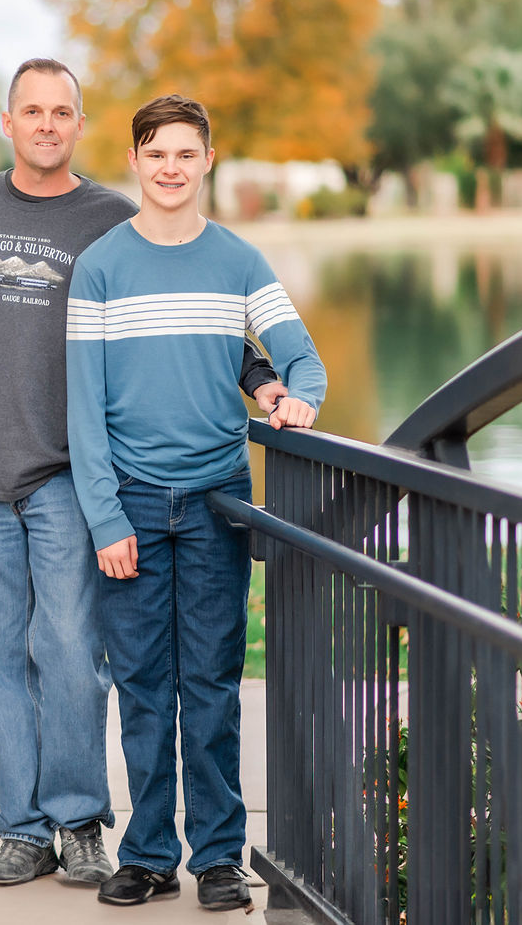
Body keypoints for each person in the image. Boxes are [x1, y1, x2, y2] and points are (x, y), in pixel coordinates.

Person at [0, 59, 286, 887]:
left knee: (72, 653)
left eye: (63, 111)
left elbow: (198, 318)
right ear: (7, 121)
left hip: (74, 475)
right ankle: (23, 828)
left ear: (82, 126)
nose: (47, 123)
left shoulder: (117, 218)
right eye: (32, 111)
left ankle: (83, 821)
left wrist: (264, 378)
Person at [66, 94, 326, 912]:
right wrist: (105, 517)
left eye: (186, 153)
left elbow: (299, 357)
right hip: (134, 507)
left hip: (218, 501)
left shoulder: (239, 262)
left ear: (207, 161)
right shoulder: (102, 264)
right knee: (143, 686)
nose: (170, 167)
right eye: (156, 153)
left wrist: (299, 399)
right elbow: (83, 407)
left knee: (211, 684)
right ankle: (147, 853)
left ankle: (217, 854)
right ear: (135, 161)